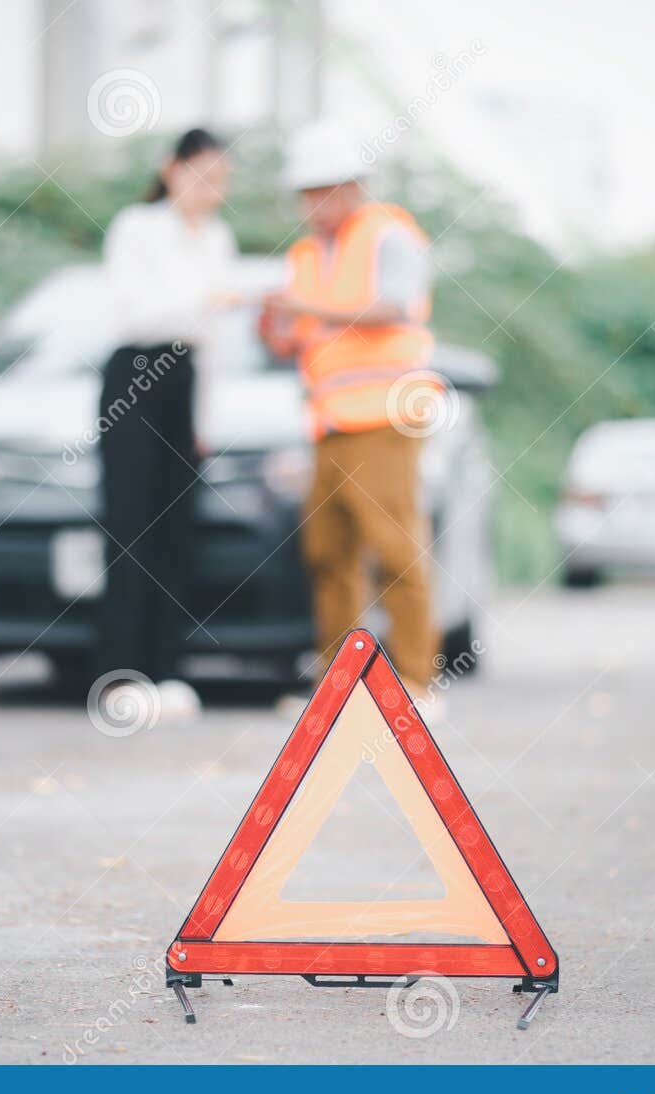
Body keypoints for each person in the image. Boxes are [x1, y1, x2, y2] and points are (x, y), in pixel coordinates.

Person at [260, 121, 443, 708]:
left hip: (386, 416)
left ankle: (417, 681)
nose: (311, 204)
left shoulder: (390, 235)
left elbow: (393, 308)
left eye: (320, 191)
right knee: (327, 553)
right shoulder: (307, 254)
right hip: (330, 422)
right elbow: (305, 336)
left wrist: (306, 307)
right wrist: (278, 330)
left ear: (349, 187)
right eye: (306, 193)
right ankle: (337, 688)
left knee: (393, 547)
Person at [95, 128, 237, 724]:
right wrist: (207, 300)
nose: (212, 189)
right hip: (136, 375)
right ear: (171, 169)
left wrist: (205, 419)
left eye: (221, 178)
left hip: (186, 382)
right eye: (201, 173)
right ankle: (121, 675)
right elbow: (134, 312)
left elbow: (214, 344)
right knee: (131, 526)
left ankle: (167, 670)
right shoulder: (136, 226)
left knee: (176, 529)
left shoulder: (220, 238)